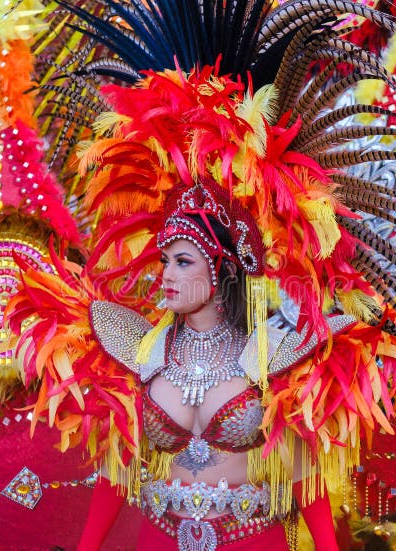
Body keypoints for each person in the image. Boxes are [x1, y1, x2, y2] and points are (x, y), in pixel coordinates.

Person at [71, 183, 342, 550]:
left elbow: (303, 476)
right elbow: (117, 471)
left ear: (223, 270)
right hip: (159, 541)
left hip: (250, 542)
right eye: (165, 261)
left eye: (183, 262)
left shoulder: (267, 355)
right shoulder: (144, 353)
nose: (167, 274)